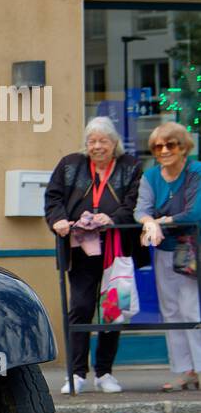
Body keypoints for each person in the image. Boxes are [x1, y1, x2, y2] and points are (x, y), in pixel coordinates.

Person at [44, 116, 143, 394]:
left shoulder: (131, 166)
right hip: (80, 249)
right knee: (81, 308)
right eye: (92, 141)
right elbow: (53, 199)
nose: (97, 146)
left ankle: (105, 372)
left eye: (103, 141)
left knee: (113, 310)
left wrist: (111, 218)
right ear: (86, 143)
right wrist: (59, 220)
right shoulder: (70, 164)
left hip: (117, 250)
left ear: (115, 143)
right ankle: (76, 374)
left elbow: (134, 202)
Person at [135, 122, 201, 392]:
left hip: (192, 250)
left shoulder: (195, 171)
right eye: (158, 146)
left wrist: (163, 220)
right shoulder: (151, 176)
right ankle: (184, 370)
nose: (164, 150)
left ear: (183, 147)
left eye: (170, 144)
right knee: (171, 312)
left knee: (190, 309)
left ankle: (200, 367)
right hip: (164, 251)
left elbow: (195, 212)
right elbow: (141, 209)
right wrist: (150, 222)